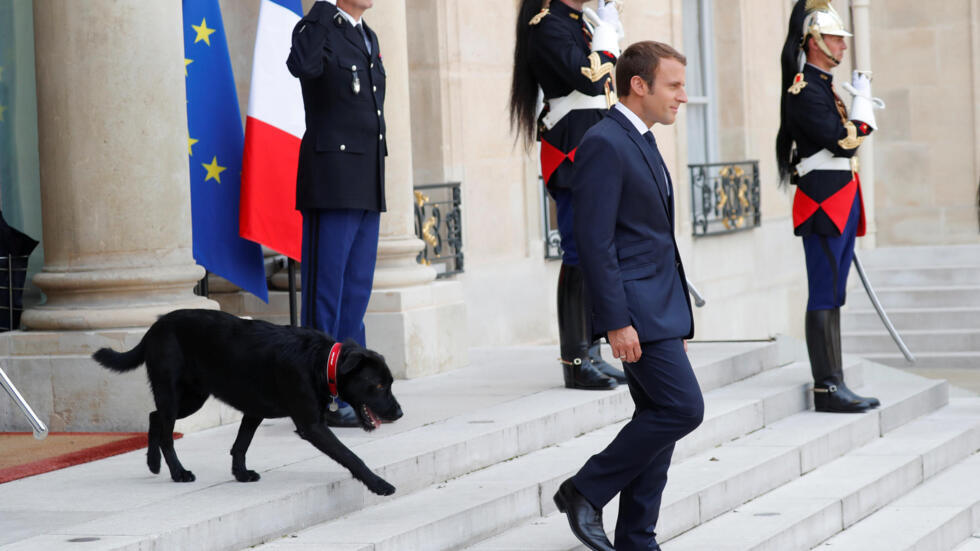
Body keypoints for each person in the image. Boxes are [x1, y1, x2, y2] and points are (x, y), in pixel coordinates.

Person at [554, 41, 703, 551]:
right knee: (684, 409)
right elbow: (594, 243)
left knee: (657, 421)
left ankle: (637, 538)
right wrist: (616, 321)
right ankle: (584, 489)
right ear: (639, 85)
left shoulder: (641, 137)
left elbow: (655, 240)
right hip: (635, 309)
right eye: (674, 85)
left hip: (661, 308)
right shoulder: (604, 142)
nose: (683, 96)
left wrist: (680, 321)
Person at [509, 0, 627, 390]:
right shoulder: (548, 26)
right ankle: (575, 359)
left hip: (596, 147)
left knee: (599, 252)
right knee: (579, 252)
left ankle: (591, 350)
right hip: (572, 151)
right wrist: (608, 43)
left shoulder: (583, 24)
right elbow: (591, 79)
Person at [776, 0, 880, 413]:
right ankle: (827, 386)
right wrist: (863, 118)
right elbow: (840, 139)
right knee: (823, 293)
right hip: (824, 202)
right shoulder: (804, 87)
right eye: (836, 38)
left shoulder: (822, 84)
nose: (843, 45)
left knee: (834, 294)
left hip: (840, 196)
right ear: (815, 42)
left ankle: (835, 380)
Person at [287, 0, 385, 427]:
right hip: (332, 175)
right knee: (326, 296)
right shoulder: (317, 27)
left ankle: (351, 388)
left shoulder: (367, 34)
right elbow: (303, 67)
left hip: (366, 176)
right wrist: (323, 11)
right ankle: (317, 398)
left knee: (356, 294)